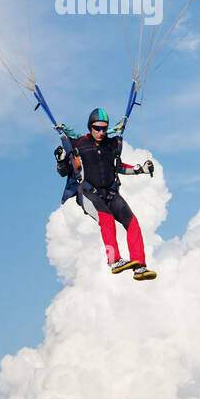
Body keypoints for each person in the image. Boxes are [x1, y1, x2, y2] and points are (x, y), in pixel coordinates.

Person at [55, 108, 157, 280]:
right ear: (90, 127)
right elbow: (63, 171)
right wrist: (60, 159)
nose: (101, 132)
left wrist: (140, 169)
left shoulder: (112, 145)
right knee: (106, 218)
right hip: (88, 194)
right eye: (97, 128)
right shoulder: (78, 144)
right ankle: (114, 260)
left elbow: (119, 167)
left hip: (110, 193)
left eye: (104, 128)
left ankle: (139, 265)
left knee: (132, 222)